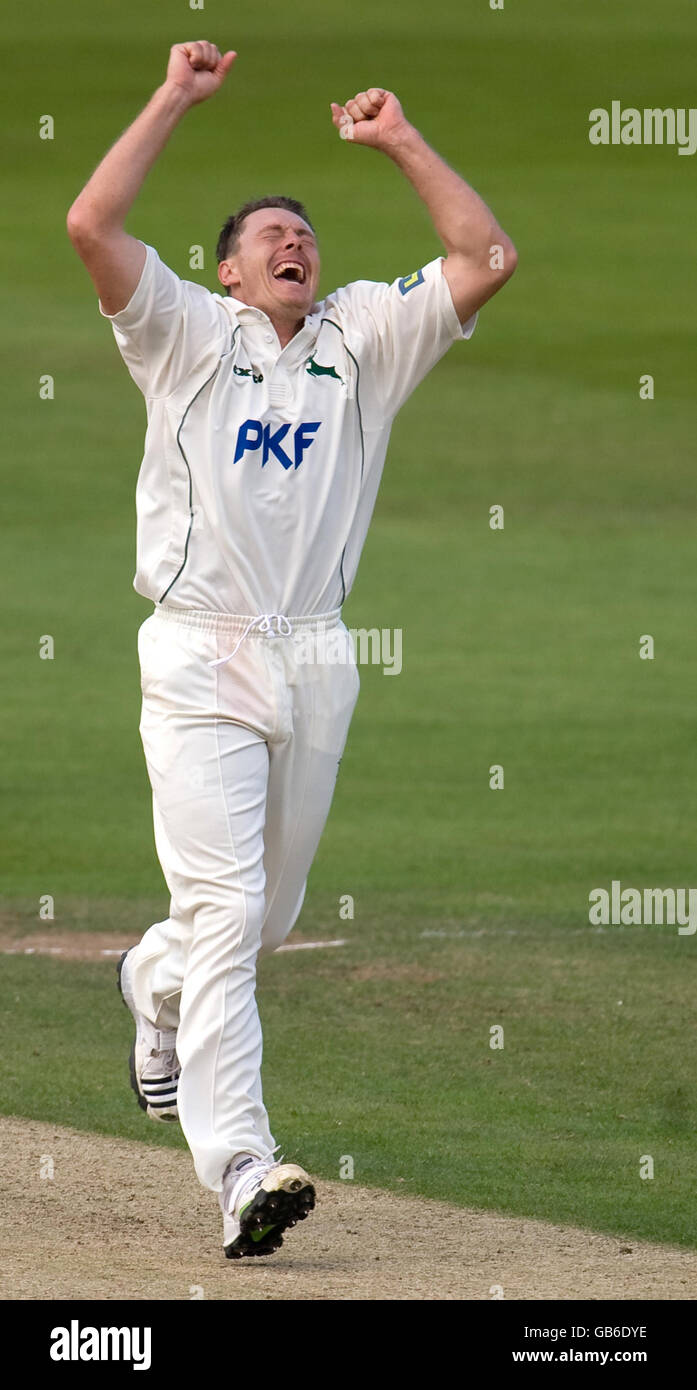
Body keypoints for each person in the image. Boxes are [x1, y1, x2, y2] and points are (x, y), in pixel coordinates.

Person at [67, 39, 517, 1261]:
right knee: (228, 914)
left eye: (303, 231)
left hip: (315, 658)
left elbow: (486, 258)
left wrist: (400, 136)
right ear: (226, 267)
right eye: (267, 232)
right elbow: (92, 220)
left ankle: (148, 988)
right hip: (198, 654)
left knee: (255, 924)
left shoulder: (363, 337)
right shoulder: (180, 331)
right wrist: (170, 92)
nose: (292, 241)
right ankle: (244, 1168)